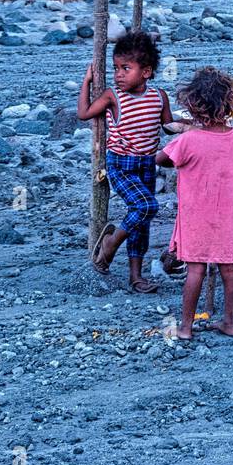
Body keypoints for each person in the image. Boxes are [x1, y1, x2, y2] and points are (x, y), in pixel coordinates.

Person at [156, 68, 233, 341]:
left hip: (195, 217)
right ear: (228, 103)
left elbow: (161, 159)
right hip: (226, 216)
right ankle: (230, 322)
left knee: (195, 270)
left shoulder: (187, 140)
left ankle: (186, 327)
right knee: (229, 269)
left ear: (193, 106)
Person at [77, 30, 172, 293]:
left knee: (142, 222)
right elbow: (84, 113)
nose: (118, 74)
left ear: (146, 72)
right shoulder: (112, 97)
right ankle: (110, 244)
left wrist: (198, 123)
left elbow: (169, 125)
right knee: (146, 206)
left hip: (146, 165)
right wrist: (86, 82)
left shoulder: (159, 96)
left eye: (126, 68)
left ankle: (135, 276)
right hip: (120, 164)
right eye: (117, 68)